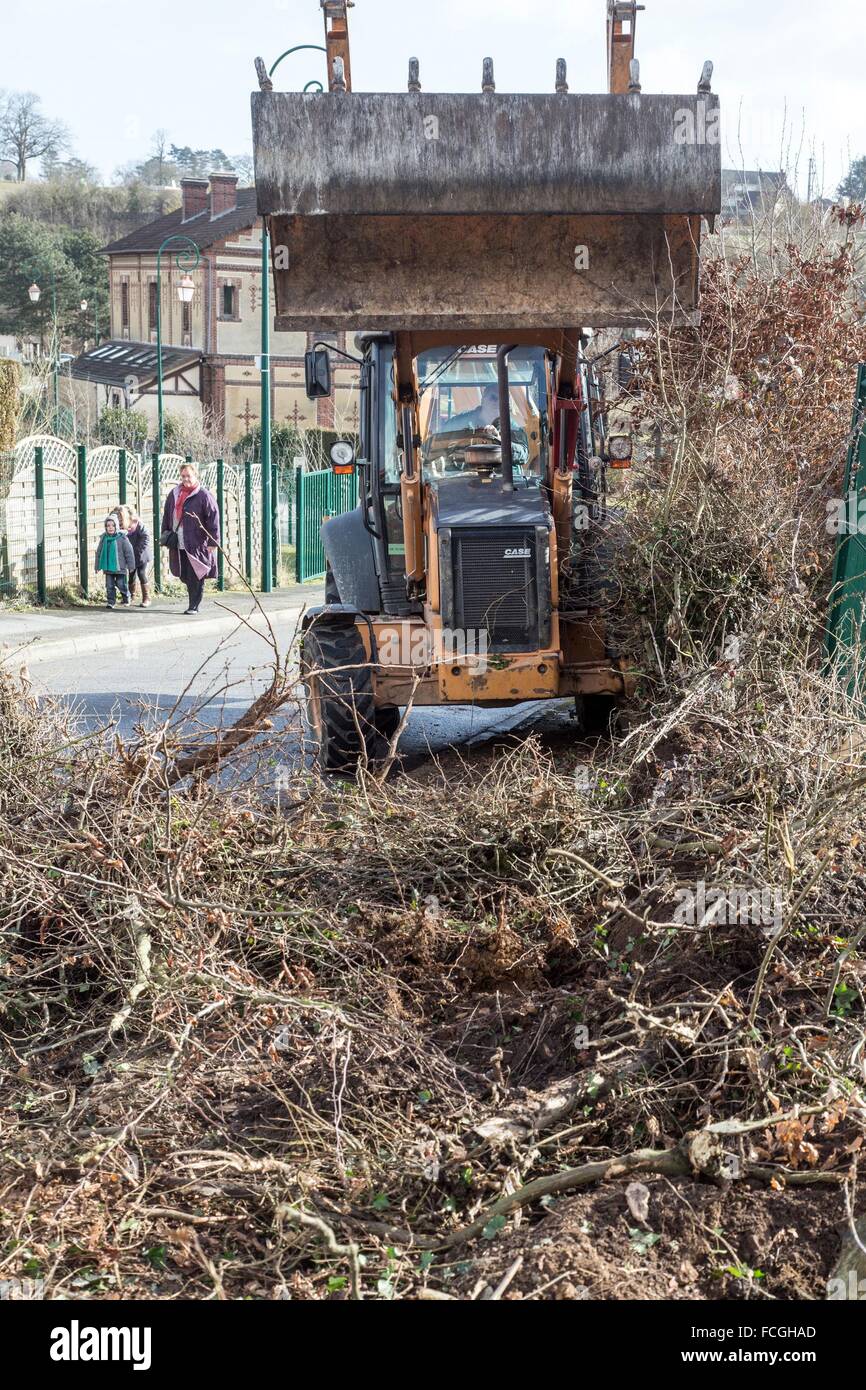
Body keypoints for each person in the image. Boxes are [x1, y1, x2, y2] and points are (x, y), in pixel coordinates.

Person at [160, 463, 220, 615]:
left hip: (196, 541)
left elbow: (213, 518)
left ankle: (194, 605)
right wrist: (165, 534)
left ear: (195, 476)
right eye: (183, 476)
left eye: (189, 476)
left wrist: (213, 541)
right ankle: (193, 599)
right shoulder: (175, 493)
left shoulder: (203, 495)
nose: (186, 479)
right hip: (178, 539)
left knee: (196, 573)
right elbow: (167, 515)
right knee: (183, 573)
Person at [95, 515, 135, 610]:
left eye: (113, 525)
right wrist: (97, 566)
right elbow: (99, 552)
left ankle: (126, 597)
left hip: (120, 567)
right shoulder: (104, 539)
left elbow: (129, 552)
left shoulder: (122, 538)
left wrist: (131, 565)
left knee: (121, 584)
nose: (110, 527)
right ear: (105, 527)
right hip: (108, 567)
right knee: (109, 586)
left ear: (116, 526)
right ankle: (111, 602)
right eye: (108, 526)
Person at [125, 508, 153, 608]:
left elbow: (145, 539)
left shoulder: (141, 527)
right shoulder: (125, 529)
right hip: (131, 556)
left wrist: (137, 551)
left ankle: (146, 598)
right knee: (131, 574)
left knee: (141, 573)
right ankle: (131, 596)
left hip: (142, 556)